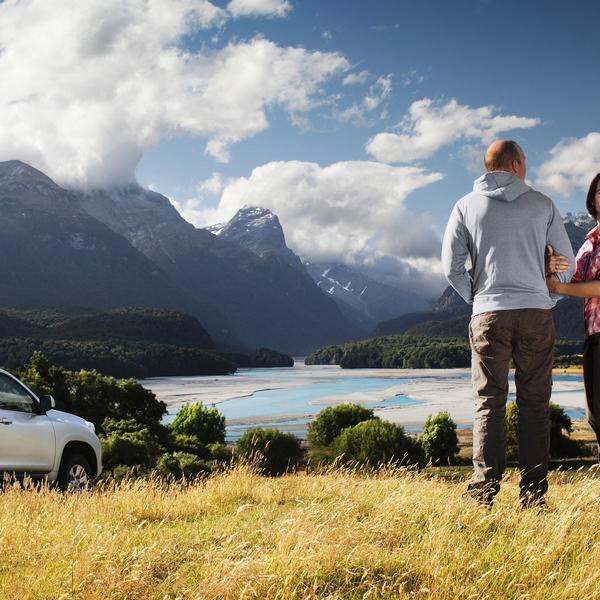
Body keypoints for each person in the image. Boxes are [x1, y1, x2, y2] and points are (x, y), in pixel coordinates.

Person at [442, 140, 575, 507]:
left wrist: (478, 297)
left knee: (489, 402)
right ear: (516, 165)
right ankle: (533, 497)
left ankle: (484, 492)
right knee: (534, 405)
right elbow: (568, 264)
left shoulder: (465, 206)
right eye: (525, 162)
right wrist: (549, 295)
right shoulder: (543, 204)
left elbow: (450, 266)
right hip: (535, 313)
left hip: (488, 314)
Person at [547, 173, 600, 459]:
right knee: (595, 416)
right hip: (593, 337)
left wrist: (561, 286)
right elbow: (573, 274)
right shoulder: (588, 243)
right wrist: (553, 265)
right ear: (593, 199)